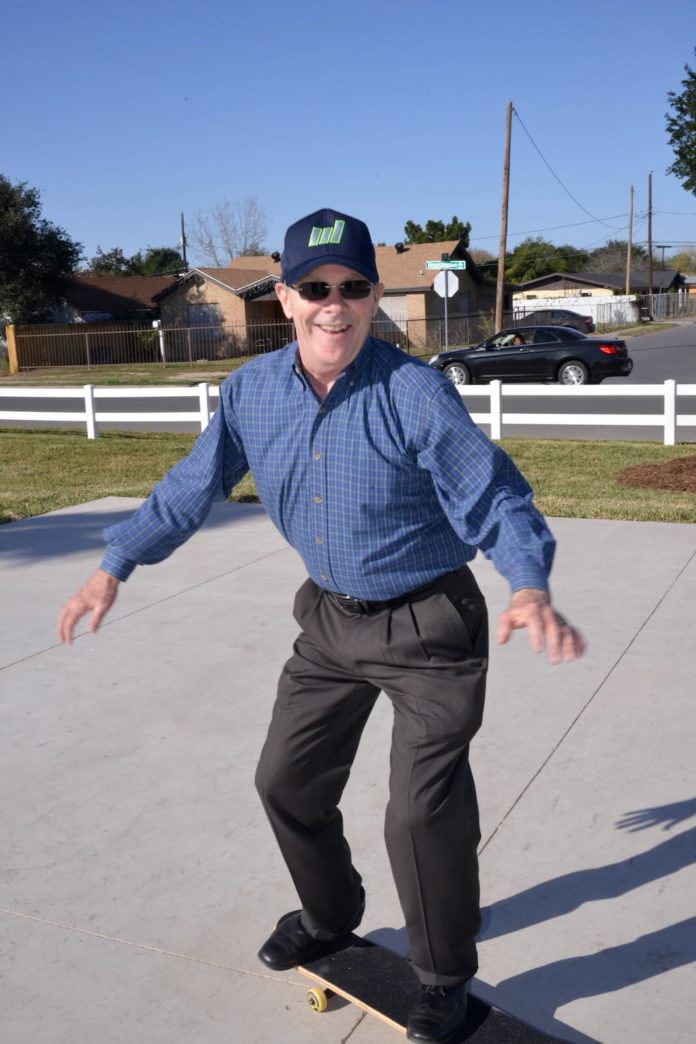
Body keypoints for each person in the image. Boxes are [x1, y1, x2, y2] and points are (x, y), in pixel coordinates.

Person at [58, 208, 585, 1044]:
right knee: (286, 784)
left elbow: (494, 495)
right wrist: (112, 563)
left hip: (430, 628)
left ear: (375, 297)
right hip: (330, 624)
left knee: (419, 814)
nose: (334, 306)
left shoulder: (413, 391)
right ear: (285, 297)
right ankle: (331, 916)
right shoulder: (251, 391)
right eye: (315, 288)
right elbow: (190, 486)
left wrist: (527, 582)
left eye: (353, 288)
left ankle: (443, 974)